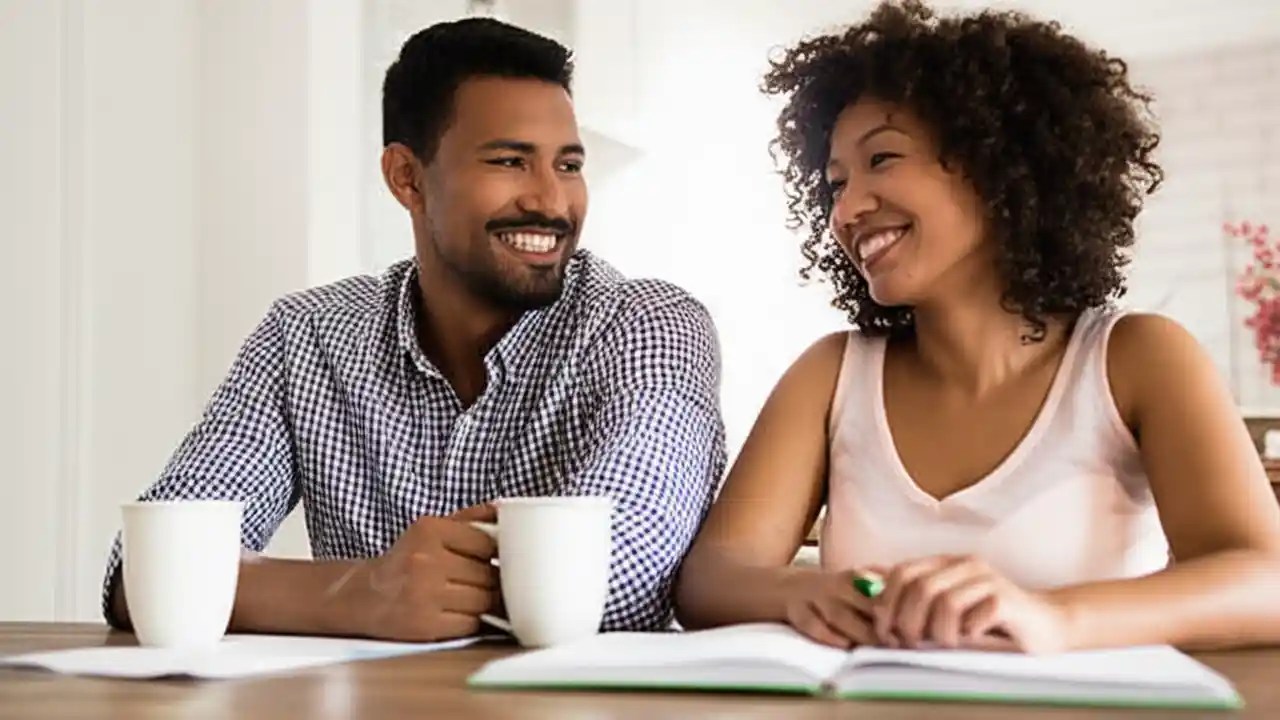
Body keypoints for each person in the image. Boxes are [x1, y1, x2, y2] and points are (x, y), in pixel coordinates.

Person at [675, 0, 1280, 654]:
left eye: (881, 160)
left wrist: (1051, 618)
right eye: (835, 183)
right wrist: (807, 593)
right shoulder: (831, 373)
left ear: (997, 167)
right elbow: (712, 576)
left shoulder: (1137, 358)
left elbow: (1266, 581)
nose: (846, 210)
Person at [103, 18, 725, 641]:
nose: (552, 201)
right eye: (510, 161)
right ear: (407, 177)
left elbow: (620, 578)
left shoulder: (650, 326)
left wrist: (262, 589)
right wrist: (361, 591)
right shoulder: (305, 335)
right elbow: (144, 574)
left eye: (567, 165)